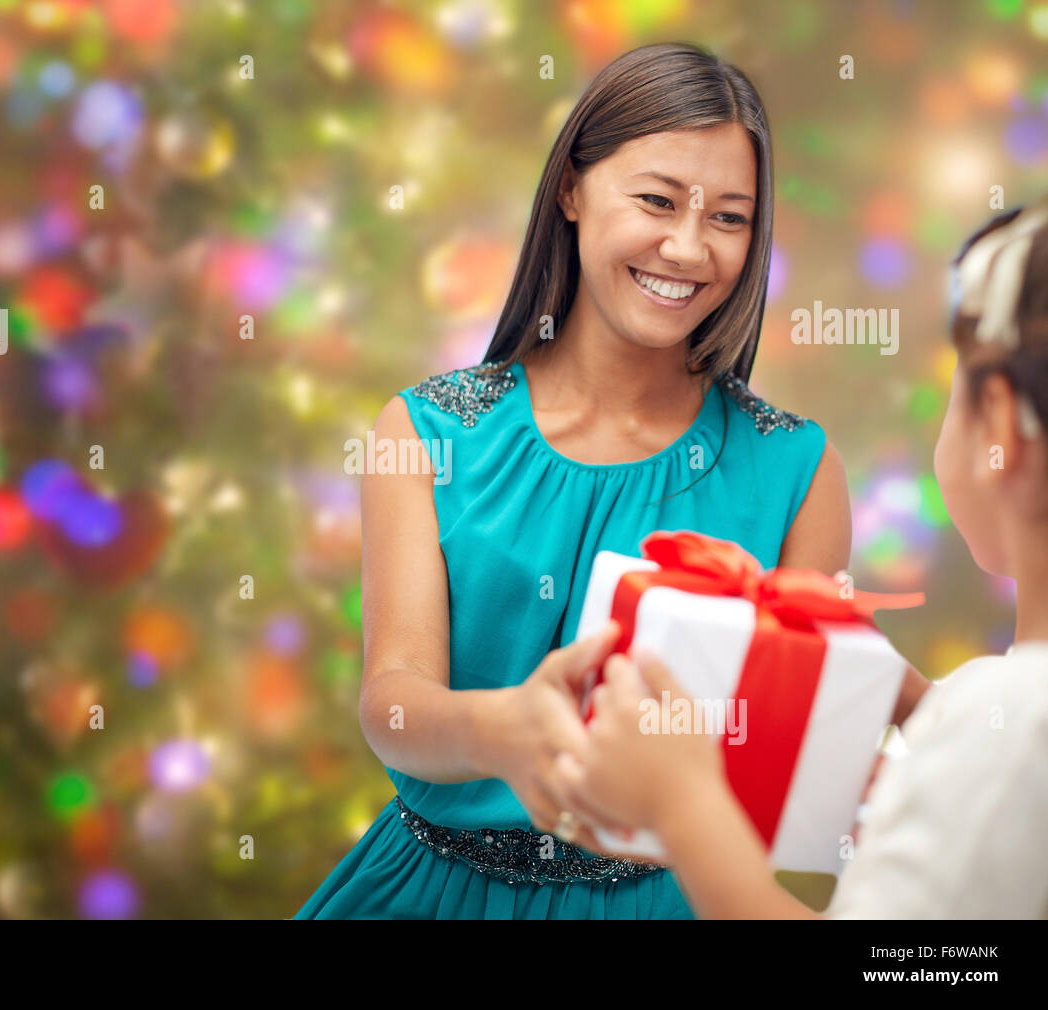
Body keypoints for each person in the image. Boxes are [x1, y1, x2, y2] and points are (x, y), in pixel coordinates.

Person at [293, 41, 928, 920]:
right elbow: (392, 705)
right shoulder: (428, 432)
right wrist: (504, 729)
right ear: (572, 190)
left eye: (730, 218)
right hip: (427, 892)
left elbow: (784, 764)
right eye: (657, 200)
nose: (687, 246)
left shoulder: (796, 469)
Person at [552, 195, 1048, 919]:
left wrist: (684, 808)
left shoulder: (1012, 720)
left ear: (1002, 421)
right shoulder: (999, 712)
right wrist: (933, 717)